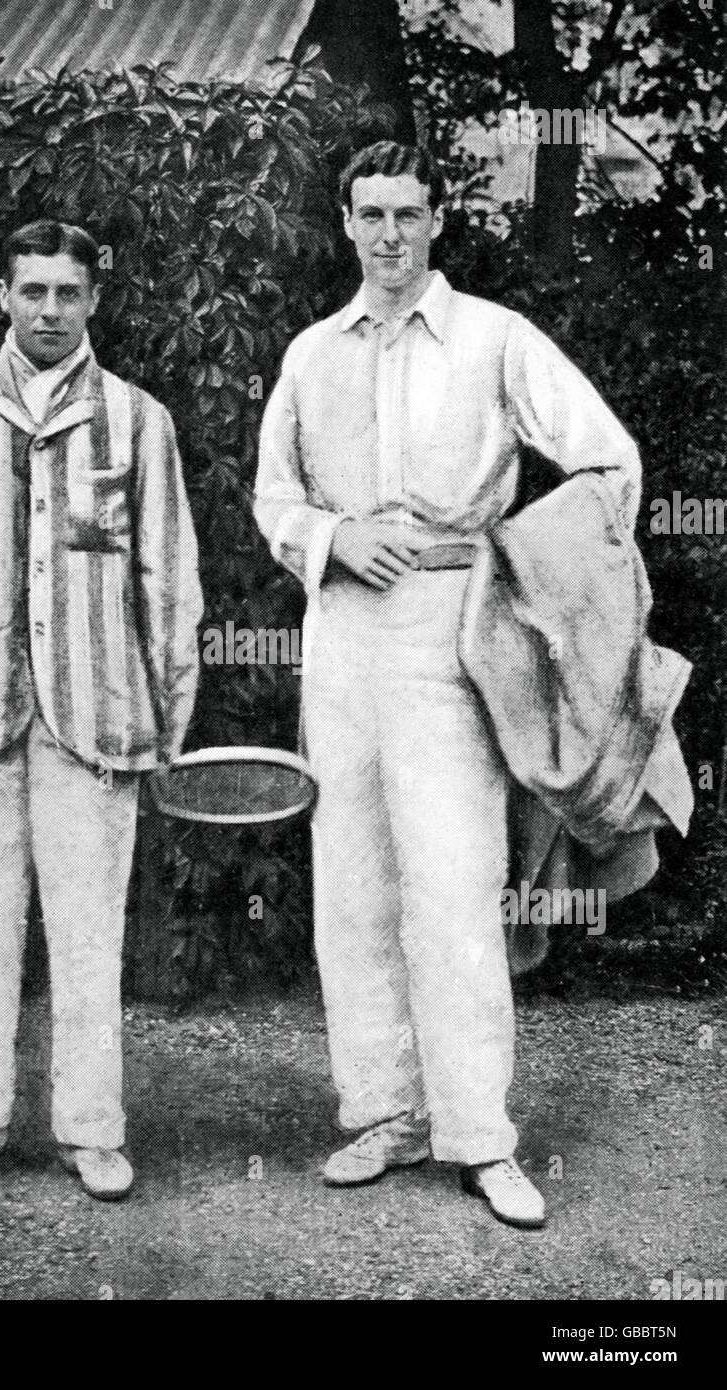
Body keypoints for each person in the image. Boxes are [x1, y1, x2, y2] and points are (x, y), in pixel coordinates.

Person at [254, 140, 653, 1229]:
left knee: (455, 883)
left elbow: (607, 462)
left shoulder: (494, 338)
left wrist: (520, 575)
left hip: (453, 636)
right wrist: (332, 537)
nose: (389, 235)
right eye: (370, 214)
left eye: (408, 214)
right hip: (340, 636)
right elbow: (271, 499)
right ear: (344, 223)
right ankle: (385, 1114)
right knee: (353, 885)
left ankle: (479, 1137)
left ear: (438, 222)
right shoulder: (310, 355)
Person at [0, 220, 202, 1200]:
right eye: (32, 292)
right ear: (2, 297)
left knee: (90, 935)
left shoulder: (139, 420)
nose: (49, 311)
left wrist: (169, 725)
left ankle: (92, 1132)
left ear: (95, 299)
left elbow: (167, 579)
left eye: (68, 292)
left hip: (97, 722)